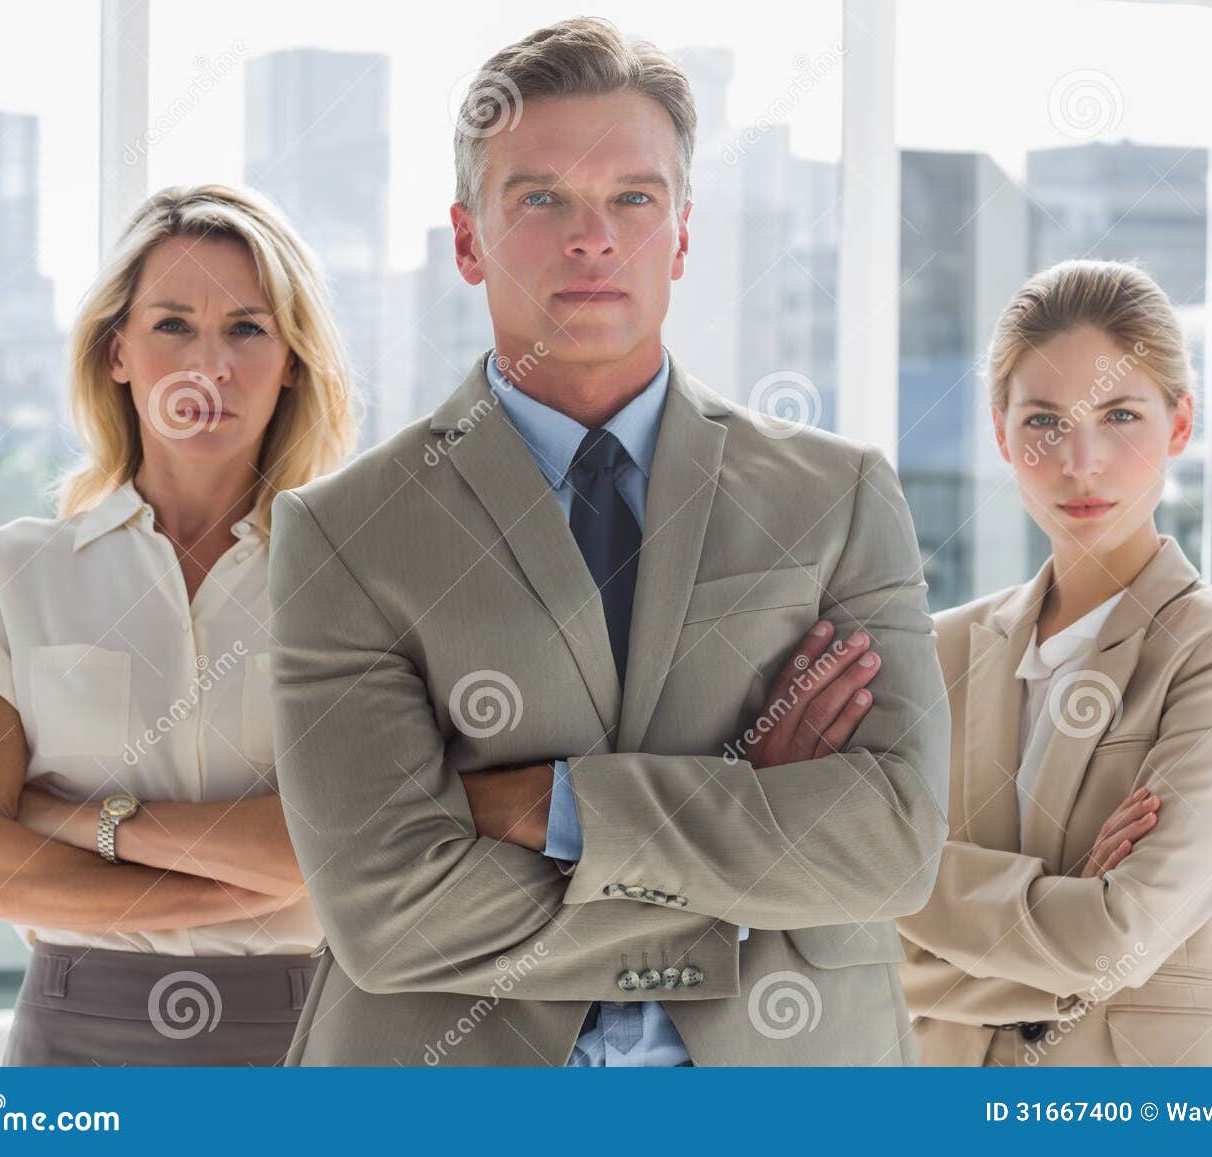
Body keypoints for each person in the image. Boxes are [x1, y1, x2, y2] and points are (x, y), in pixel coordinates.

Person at [269, 17, 949, 1067]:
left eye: (632, 198)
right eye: (541, 198)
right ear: (466, 238)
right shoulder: (345, 531)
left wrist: (561, 805)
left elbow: (894, 844)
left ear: (680, 234)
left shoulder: (838, 494)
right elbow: (389, 914)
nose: (592, 237)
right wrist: (746, 822)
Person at [0, 184, 357, 1065]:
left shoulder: (354, 576)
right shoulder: (22, 569)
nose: (209, 366)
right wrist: (241, 890)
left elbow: (337, 848)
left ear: (293, 363)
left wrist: (75, 819)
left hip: (302, 1039)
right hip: (69, 1040)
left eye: (247, 328)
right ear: (117, 351)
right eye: (172, 326)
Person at [894, 259, 1212, 1066]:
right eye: (1044, 420)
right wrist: (1063, 896)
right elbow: (847, 941)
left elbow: (1118, 938)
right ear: (1001, 430)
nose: (1081, 462)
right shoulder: (935, 650)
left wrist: (901, 879)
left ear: (1179, 425)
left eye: (1119, 415)